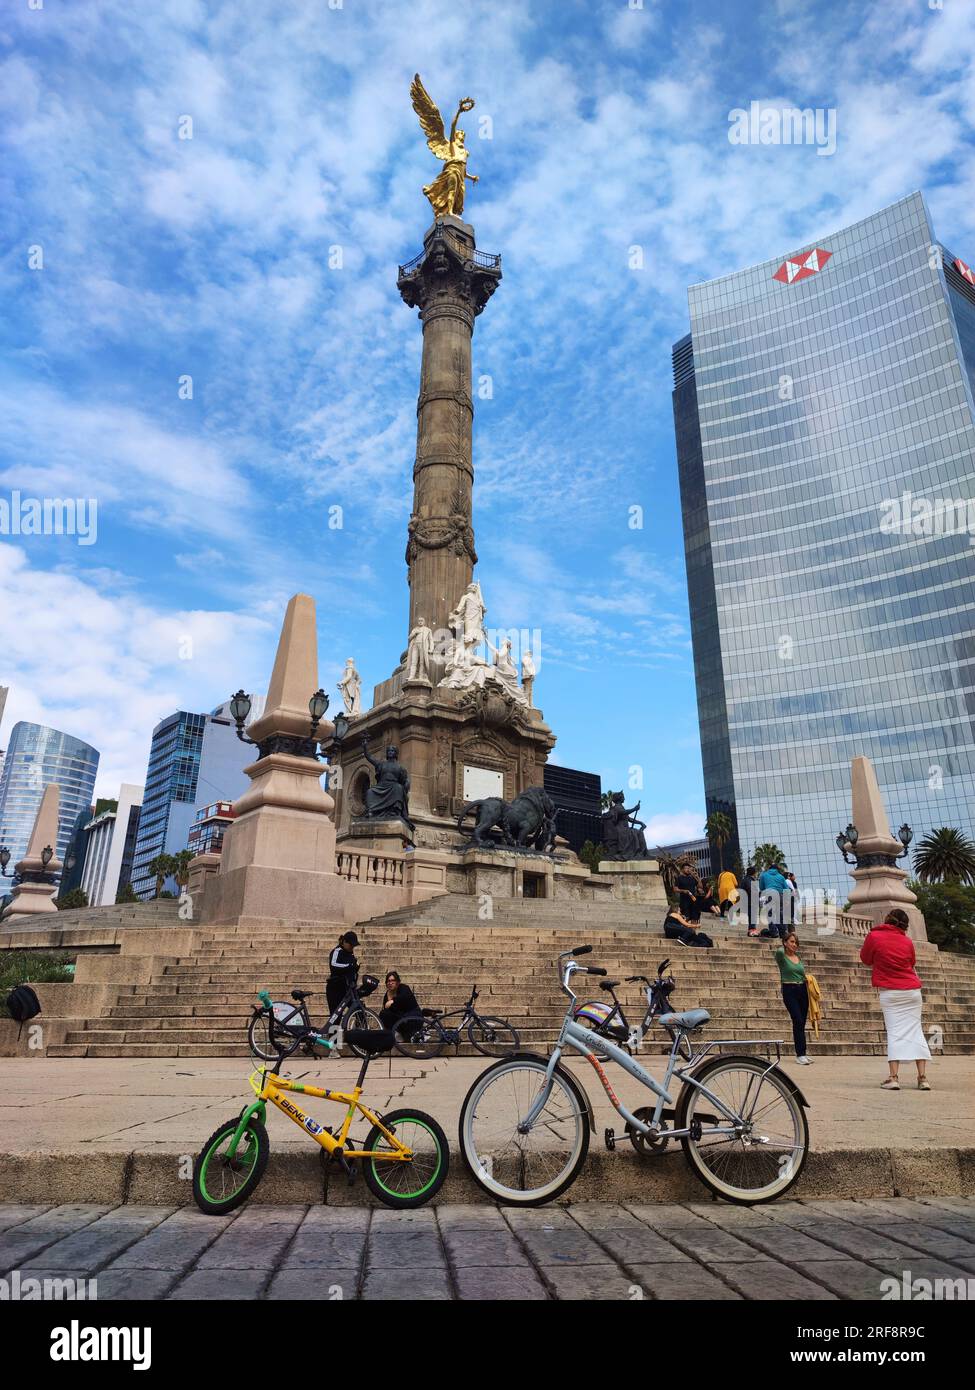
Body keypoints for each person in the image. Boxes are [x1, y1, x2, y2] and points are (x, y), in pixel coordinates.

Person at [860, 909, 931, 1091]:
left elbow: (866, 959)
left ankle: (893, 1077)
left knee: (894, 1033)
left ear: (887, 920)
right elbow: (912, 963)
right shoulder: (907, 941)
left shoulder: (874, 936)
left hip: (890, 992)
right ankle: (922, 1078)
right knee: (916, 1031)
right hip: (912, 991)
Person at [774, 930, 811, 1064]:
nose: (795, 944)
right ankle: (800, 1054)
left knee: (802, 1022)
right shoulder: (781, 956)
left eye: (796, 942)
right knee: (797, 1019)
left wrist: (808, 980)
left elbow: (801, 973)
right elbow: (778, 950)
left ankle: (803, 1052)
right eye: (792, 942)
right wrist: (785, 941)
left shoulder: (798, 957)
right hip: (789, 990)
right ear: (785, 943)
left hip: (802, 989)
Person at [326, 931, 360, 1016]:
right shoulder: (337, 951)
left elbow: (352, 969)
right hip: (335, 989)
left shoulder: (351, 953)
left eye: (353, 945)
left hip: (348, 989)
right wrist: (350, 966)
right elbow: (333, 965)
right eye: (351, 944)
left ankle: (360, 1028)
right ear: (344, 942)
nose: (352, 947)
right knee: (336, 1017)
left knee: (359, 1011)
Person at [758, 861, 792, 938]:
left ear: (769, 869)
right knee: (780, 914)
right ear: (777, 869)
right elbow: (786, 889)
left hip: (769, 894)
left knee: (770, 914)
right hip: (780, 895)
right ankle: (783, 933)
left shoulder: (764, 875)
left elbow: (761, 887)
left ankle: (774, 932)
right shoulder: (781, 876)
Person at [740, 865, 760, 936]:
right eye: (755, 872)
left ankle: (752, 930)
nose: (756, 874)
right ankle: (751, 931)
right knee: (752, 916)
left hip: (748, 901)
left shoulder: (746, 879)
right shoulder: (748, 880)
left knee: (752, 916)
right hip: (750, 901)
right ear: (753, 873)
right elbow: (751, 890)